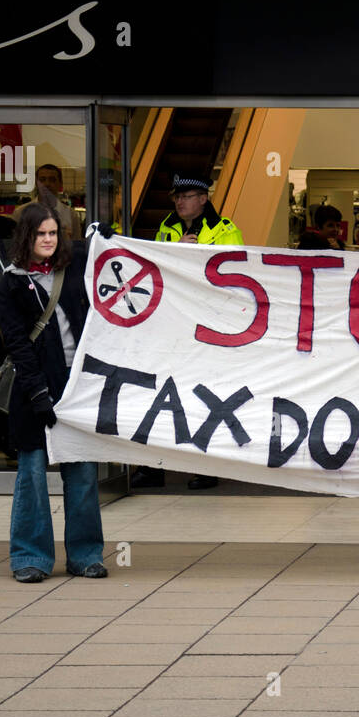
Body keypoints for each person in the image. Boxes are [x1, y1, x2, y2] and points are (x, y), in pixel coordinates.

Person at [0, 203, 106, 582]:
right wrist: (38, 392)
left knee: (83, 475)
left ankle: (86, 555)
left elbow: (97, 247)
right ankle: (30, 557)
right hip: (33, 392)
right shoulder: (10, 283)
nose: (48, 240)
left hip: (77, 387)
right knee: (32, 477)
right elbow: (16, 344)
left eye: (53, 233)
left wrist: (105, 234)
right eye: (41, 233)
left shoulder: (71, 264)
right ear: (27, 236)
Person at [132, 176, 244, 490]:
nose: (180, 202)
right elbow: (153, 268)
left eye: (187, 196)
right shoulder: (166, 228)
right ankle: (153, 467)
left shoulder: (225, 229)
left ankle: (205, 467)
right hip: (171, 324)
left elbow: (235, 275)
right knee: (159, 394)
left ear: (203, 198)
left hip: (208, 327)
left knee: (203, 396)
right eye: (176, 197)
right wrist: (174, 251)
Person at [13, 164, 80, 240]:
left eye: (52, 180)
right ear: (36, 184)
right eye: (42, 180)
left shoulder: (71, 215)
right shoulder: (21, 213)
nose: (47, 184)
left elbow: (76, 247)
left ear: (60, 184)